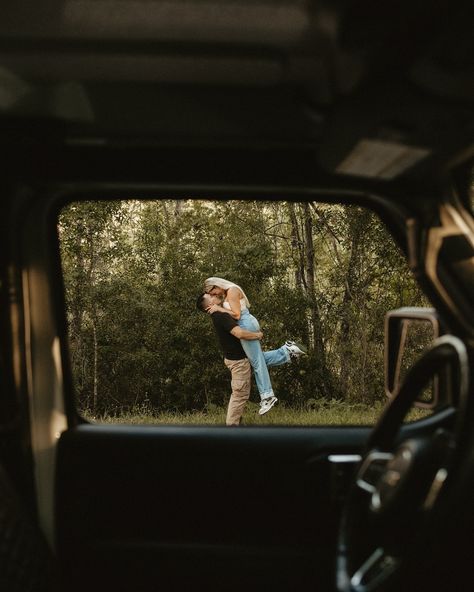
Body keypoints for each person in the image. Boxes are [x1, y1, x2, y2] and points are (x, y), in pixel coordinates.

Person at [203, 277, 307, 415]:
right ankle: (287, 351)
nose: (215, 295)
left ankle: (267, 396)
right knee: (257, 359)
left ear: (217, 285)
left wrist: (219, 309)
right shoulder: (228, 293)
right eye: (212, 295)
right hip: (246, 323)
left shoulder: (232, 291)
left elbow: (237, 315)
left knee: (256, 361)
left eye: (213, 292)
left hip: (245, 324)